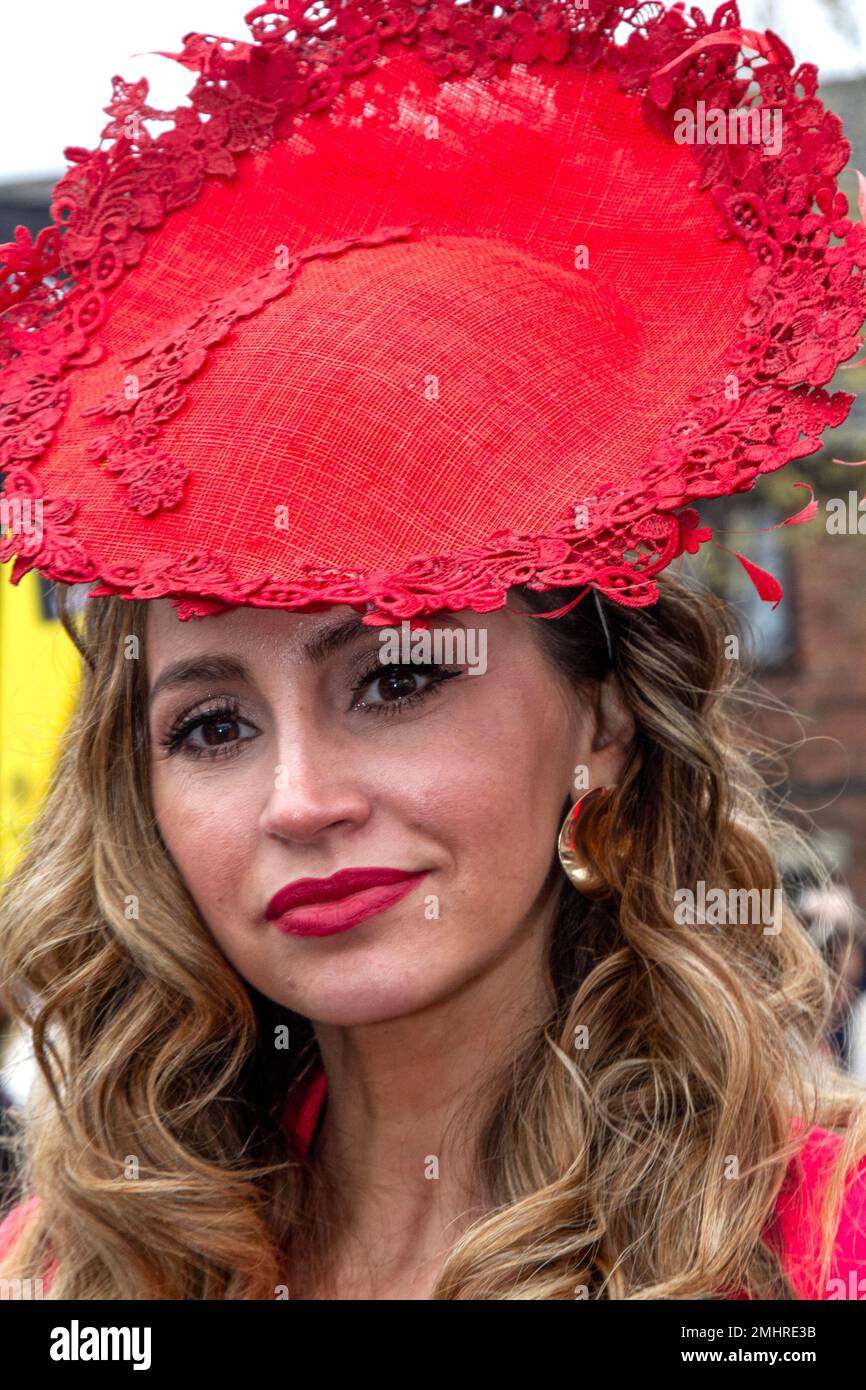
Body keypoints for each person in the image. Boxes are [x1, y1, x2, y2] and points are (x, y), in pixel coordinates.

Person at [1, 0, 865, 1300]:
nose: (299, 799)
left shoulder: (814, 1254)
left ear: (602, 718)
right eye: (210, 724)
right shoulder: (74, 1268)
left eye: (394, 678)